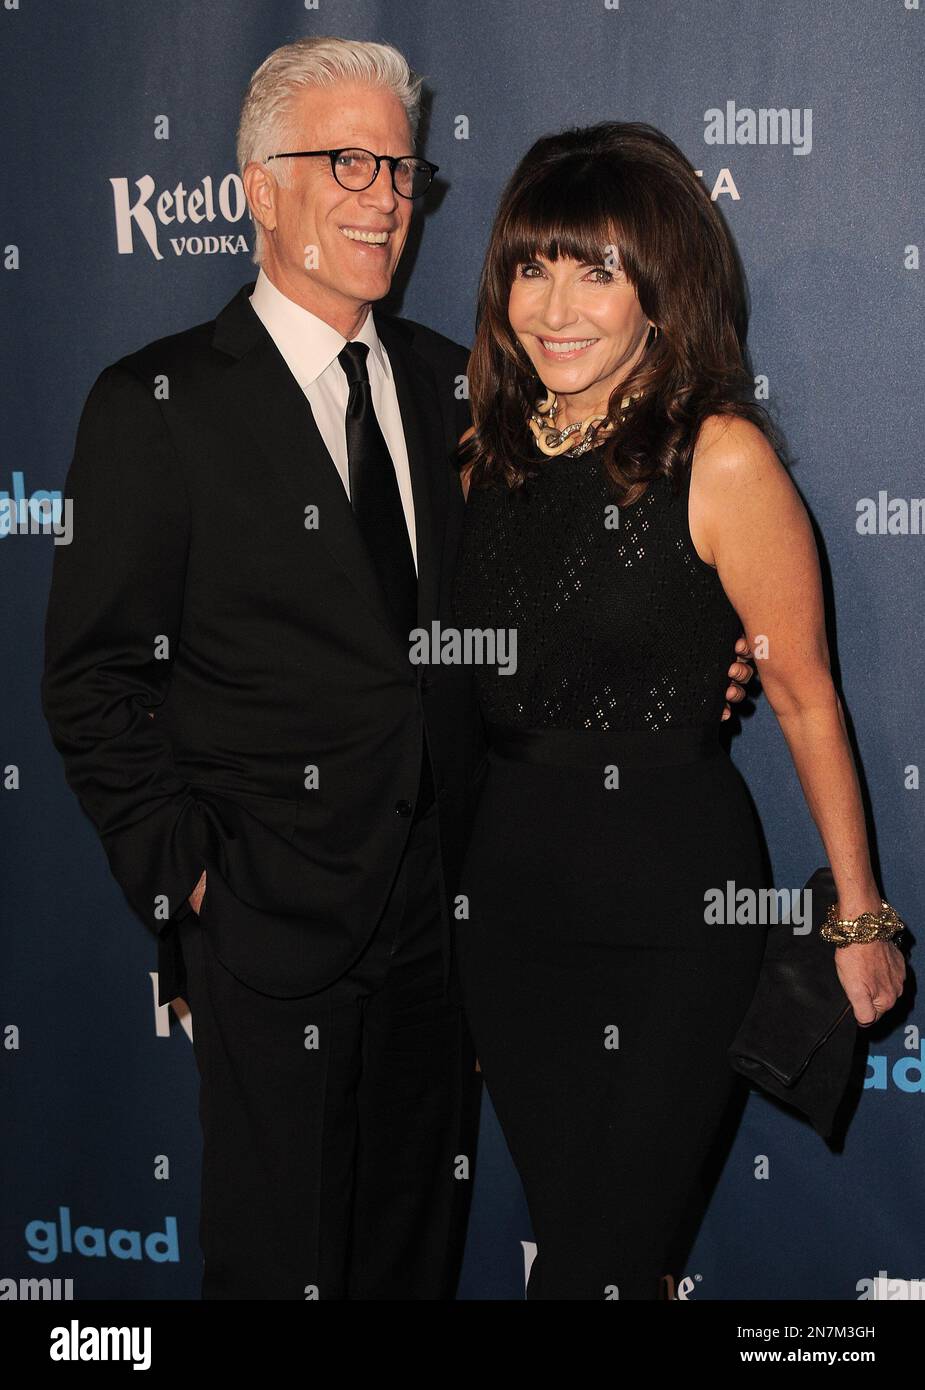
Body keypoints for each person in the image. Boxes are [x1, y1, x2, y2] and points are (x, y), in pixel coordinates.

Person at [41, 36, 488, 1301]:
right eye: (347, 161)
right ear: (256, 185)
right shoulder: (156, 405)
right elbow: (91, 680)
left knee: (413, 1264)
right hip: (266, 925)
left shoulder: (453, 386)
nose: (384, 196)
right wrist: (192, 881)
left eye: (401, 169)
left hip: (438, 935)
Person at [452, 121, 907, 1300]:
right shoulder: (480, 458)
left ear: (662, 291)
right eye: (531, 265)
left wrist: (858, 914)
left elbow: (806, 699)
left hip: (676, 916)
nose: (553, 305)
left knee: (595, 1269)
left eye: (596, 269)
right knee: (595, 1250)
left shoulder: (722, 459)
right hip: (507, 916)